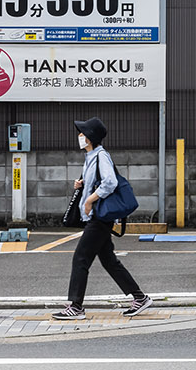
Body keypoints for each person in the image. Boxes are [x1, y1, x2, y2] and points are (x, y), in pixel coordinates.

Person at [52, 117, 151, 320]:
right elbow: (97, 182)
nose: (79, 135)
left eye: (82, 133)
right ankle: (140, 298)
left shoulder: (101, 156)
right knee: (109, 261)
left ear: (89, 138)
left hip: (99, 218)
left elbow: (110, 182)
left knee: (81, 258)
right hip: (96, 218)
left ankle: (76, 306)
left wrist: (89, 200)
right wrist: (81, 186)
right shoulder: (91, 157)